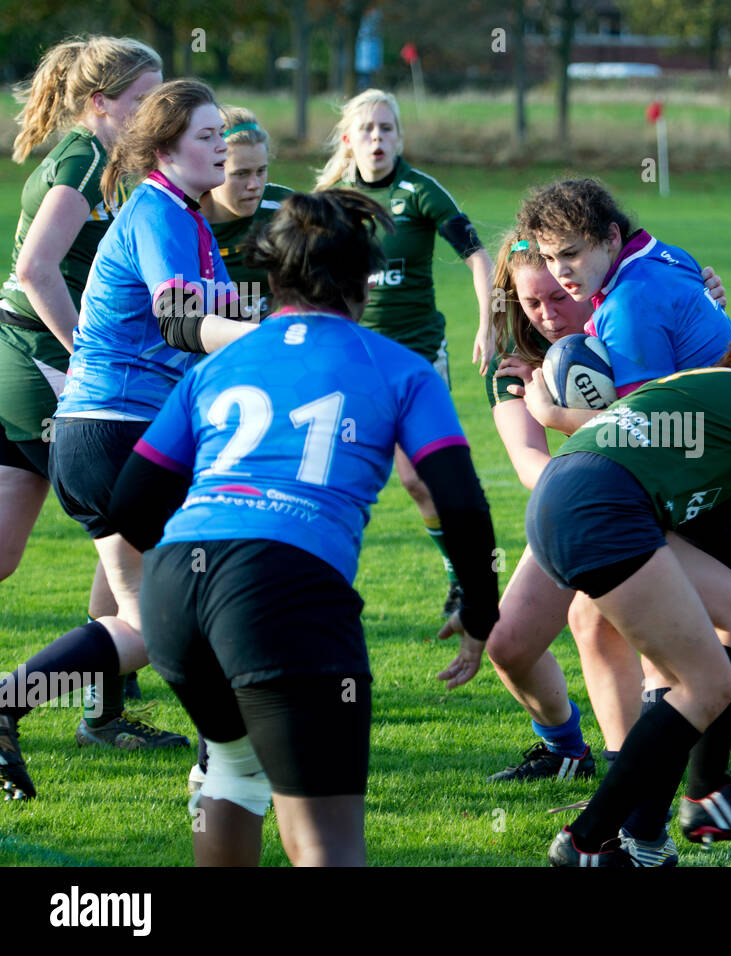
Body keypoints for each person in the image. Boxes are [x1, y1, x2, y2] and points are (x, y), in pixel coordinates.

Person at [108, 189, 499, 865]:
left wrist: (212, 543)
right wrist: (481, 608)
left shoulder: (220, 363)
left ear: (269, 277)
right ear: (364, 282)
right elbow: (457, 498)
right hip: (285, 587)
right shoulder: (397, 365)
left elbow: (133, 505)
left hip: (175, 588)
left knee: (233, 773)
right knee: (328, 843)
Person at [514, 178, 731, 801]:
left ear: (611, 236)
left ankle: (722, 774)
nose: (560, 271)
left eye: (571, 253)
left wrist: (553, 413)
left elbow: (640, 430)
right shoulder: (660, 257)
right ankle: (659, 774)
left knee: (721, 612)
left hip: (724, 473)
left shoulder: (630, 302)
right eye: (549, 255)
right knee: (611, 615)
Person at [530, 321, 731, 865]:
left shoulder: (718, 380)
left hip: (574, 491)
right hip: (604, 505)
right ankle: (588, 840)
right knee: (708, 685)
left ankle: (692, 802)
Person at [48, 80, 253, 758]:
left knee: (142, 611)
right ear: (165, 150)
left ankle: (81, 714)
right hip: (117, 435)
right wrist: (278, 338)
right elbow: (181, 320)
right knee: (182, 609)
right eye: (206, 136)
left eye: (221, 134)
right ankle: (224, 749)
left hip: (106, 434)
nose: (221, 146)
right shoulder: (159, 213)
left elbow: (220, 316)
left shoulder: (185, 218)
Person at [0, 36, 161, 734]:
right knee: (130, 533)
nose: (155, 112)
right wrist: (89, 354)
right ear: (101, 102)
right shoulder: (85, 156)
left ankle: (102, 708)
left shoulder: (111, 160)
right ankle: (96, 709)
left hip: (21, 357)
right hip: (37, 359)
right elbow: (37, 270)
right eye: (141, 101)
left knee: (7, 552)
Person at [316, 89, 494, 617]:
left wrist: (486, 322)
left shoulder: (420, 190)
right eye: (368, 129)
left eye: (387, 129)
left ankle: (462, 578)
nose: (378, 138)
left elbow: (477, 255)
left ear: (399, 137)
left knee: (420, 479)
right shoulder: (333, 199)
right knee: (334, 472)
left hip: (417, 358)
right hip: (353, 358)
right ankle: (322, 586)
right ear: (349, 139)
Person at [199, 105, 294, 321]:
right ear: (210, 167)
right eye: (241, 174)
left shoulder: (286, 209)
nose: (254, 185)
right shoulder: (181, 222)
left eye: (261, 171)